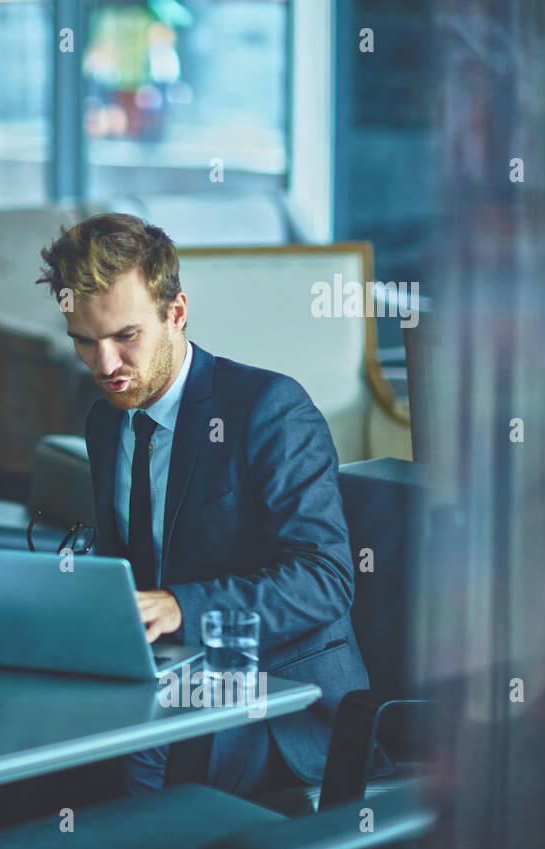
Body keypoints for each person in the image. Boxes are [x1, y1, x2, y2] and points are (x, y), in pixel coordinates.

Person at [37, 212, 386, 797]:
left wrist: (179, 607)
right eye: (84, 342)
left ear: (175, 313)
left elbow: (323, 579)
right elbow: (132, 564)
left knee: (123, 769)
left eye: (125, 337)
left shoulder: (269, 410)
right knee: (34, 741)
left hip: (277, 705)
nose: (104, 366)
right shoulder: (107, 419)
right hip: (164, 678)